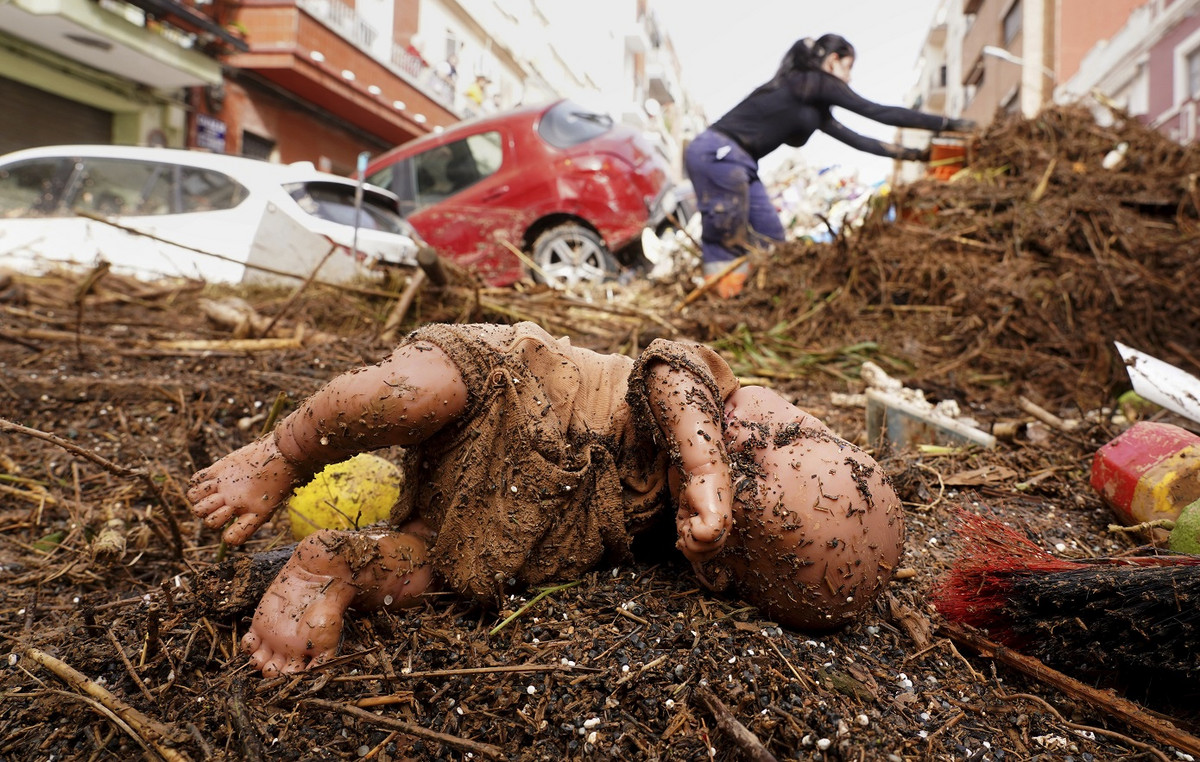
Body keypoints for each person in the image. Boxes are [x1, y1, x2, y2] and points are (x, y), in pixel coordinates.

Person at [187, 322, 904, 677]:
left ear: (716, 567)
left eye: (757, 459)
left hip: (498, 517)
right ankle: (280, 454)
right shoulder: (700, 401)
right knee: (405, 394)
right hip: (501, 382)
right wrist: (707, 461)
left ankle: (331, 566)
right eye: (793, 432)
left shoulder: (671, 539)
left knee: (434, 570)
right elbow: (667, 364)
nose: (760, 429)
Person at [684, 34, 976, 297]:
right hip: (717, 151)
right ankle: (719, 304)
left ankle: (753, 299)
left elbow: (859, 140)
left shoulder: (814, 104)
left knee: (771, 237)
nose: (848, 80)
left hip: (742, 161)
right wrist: (947, 124)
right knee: (726, 232)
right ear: (833, 61)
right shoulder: (810, 81)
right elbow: (877, 112)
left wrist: (916, 155)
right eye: (849, 68)